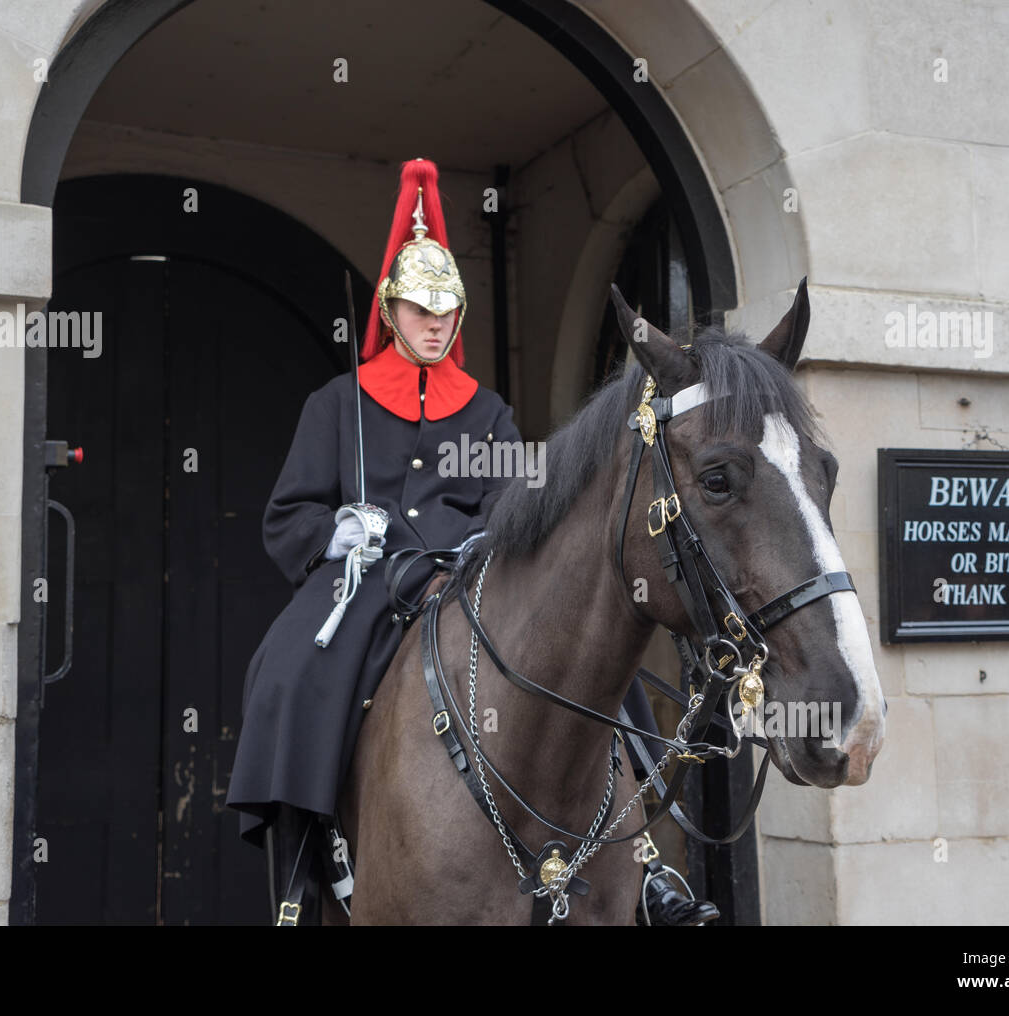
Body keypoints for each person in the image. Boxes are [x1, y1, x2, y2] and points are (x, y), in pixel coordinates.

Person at [225, 157, 714, 926]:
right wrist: (341, 529)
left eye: (448, 310)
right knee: (290, 669)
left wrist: (485, 547)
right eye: (421, 309)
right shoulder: (337, 407)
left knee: (592, 657)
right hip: (373, 578)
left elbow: (513, 511)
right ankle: (302, 867)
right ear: (390, 310)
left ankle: (646, 861)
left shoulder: (485, 411)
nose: (436, 323)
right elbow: (285, 520)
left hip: (470, 577)